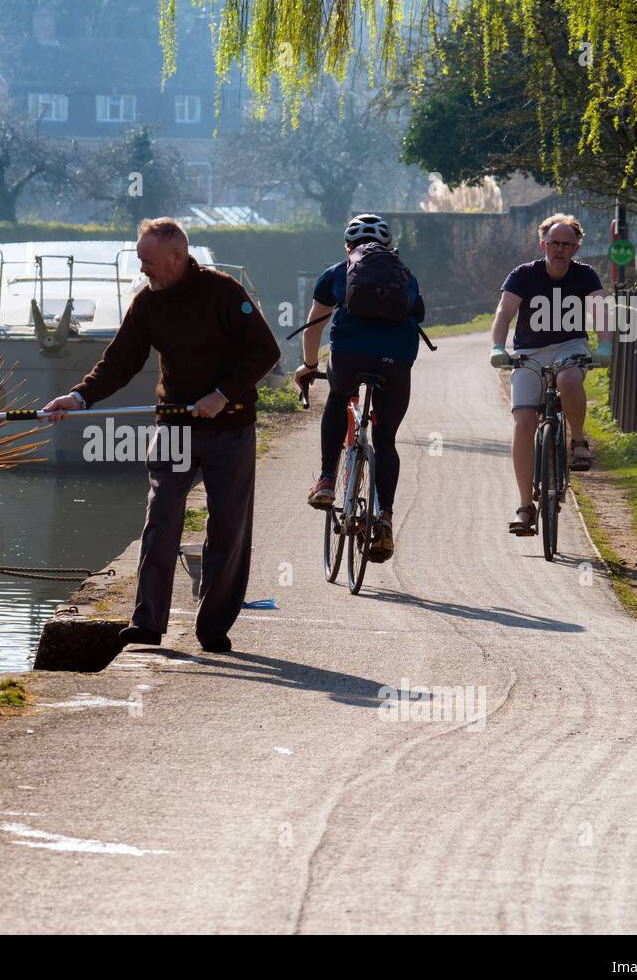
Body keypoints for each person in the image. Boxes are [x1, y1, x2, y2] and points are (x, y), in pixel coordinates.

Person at [42, 218, 281, 653]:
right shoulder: (147, 304)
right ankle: (148, 623)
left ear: (176, 257)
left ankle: (212, 627)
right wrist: (78, 397)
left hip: (230, 427)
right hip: (174, 425)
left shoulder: (225, 293)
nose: (143, 270)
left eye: (148, 262)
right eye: (140, 261)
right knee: (161, 517)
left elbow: (266, 351)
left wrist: (223, 394)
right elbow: (120, 362)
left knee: (227, 526)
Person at [298, 213, 426, 563]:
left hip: (349, 355)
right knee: (385, 441)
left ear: (347, 246)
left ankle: (326, 480)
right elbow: (418, 314)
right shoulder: (406, 275)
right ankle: (384, 517)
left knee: (339, 398)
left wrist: (309, 366)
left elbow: (313, 328)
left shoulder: (336, 273)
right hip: (396, 360)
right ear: (388, 246)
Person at [489, 212, 611, 536]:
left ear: (575, 247)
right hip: (529, 353)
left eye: (566, 244)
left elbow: (600, 309)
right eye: (554, 243)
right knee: (524, 422)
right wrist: (498, 347)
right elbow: (504, 312)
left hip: (570, 346)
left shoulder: (585, 275)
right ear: (542, 244)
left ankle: (579, 441)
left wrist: (606, 346)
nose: (559, 249)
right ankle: (525, 507)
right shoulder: (523, 275)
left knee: (569, 379)